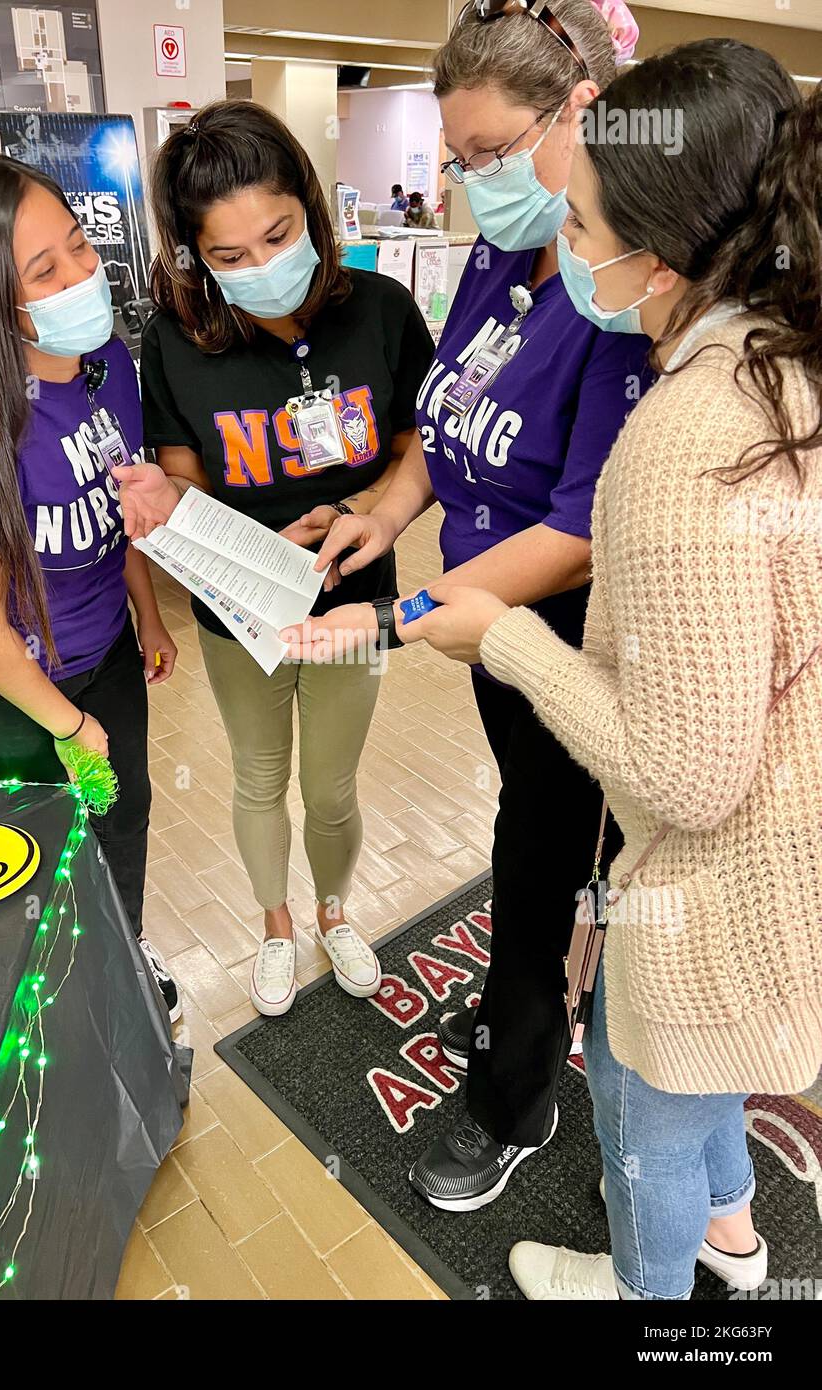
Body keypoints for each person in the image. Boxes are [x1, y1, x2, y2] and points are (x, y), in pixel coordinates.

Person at [398, 39, 822, 1300]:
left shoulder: (686, 431)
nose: (562, 243)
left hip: (707, 888)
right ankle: (734, 1245)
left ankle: (656, 1300)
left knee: (641, 1107)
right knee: (704, 1084)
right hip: (783, 849)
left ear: (666, 243)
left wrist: (504, 636)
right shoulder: (780, 362)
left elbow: (684, 777)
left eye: (578, 218)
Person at [283, 0, 649, 1209]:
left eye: (495, 153)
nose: (474, 181)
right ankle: (518, 1009)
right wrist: (383, 517)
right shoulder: (500, 256)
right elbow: (446, 429)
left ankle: (516, 1099)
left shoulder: (613, 292)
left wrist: (404, 610)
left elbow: (576, 529)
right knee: (524, 841)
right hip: (491, 645)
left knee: (544, 860)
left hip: (569, 652)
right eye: (462, 158)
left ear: (578, 115)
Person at [118, 100, 436, 1018]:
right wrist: (237, 539)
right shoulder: (175, 340)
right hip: (240, 608)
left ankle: (337, 913)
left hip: (352, 602)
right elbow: (182, 489)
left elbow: (419, 441)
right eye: (228, 256)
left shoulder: (380, 311)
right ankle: (276, 927)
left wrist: (369, 511)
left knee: (330, 784)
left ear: (310, 209)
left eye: (278, 235)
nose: (261, 268)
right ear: (192, 255)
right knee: (259, 778)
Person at [0, 153, 181, 1018]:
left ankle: (121, 966)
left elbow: (125, 500)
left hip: (106, 654)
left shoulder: (108, 369)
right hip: (8, 690)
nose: (81, 275)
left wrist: (149, 616)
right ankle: (61, 1003)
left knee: (122, 822)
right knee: (45, 854)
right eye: (42, 269)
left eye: (80, 246)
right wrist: (71, 723)